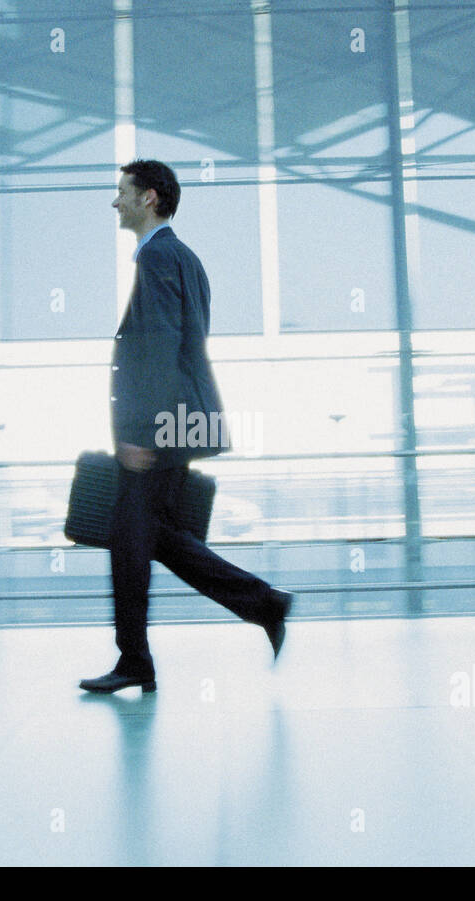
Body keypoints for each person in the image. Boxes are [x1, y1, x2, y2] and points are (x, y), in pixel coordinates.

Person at [79, 159, 293, 694]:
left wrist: (139, 432)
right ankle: (261, 603)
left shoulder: (158, 258)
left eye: (122, 192)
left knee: (131, 540)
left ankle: (137, 660)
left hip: (158, 429)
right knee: (156, 537)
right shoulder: (187, 260)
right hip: (181, 423)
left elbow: (157, 349)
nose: (115, 202)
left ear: (149, 197)